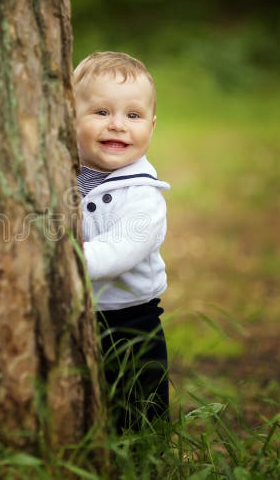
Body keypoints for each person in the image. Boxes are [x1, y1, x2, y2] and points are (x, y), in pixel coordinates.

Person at [73, 51, 170, 432]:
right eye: (101, 112)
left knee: (137, 414)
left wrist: (66, 262)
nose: (117, 125)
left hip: (130, 324)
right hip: (71, 315)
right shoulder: (56, 174)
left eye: (133, 115)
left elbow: (120, 249)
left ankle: (144, 456)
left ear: (152, 125)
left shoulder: (144, 197)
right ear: (69, 115)